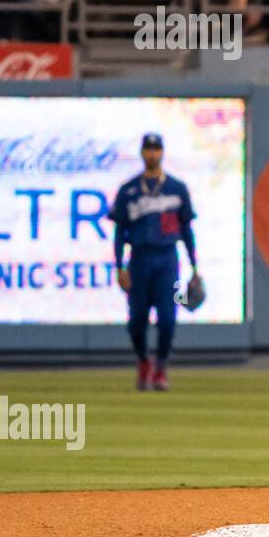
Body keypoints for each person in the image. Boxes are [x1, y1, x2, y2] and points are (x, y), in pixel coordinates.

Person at [111, 133, 198, 393]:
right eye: (148, 149)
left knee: (168, 317)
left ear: (162, 152)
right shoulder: (128, 190)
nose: (152, 153)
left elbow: (186, 231)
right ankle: (143, 361)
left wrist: (195, 268)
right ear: (142, 153)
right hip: (139, 260)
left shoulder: (176, 188)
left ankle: (160, 368)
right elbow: (119, 233)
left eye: (156, 149)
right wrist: (119, 267)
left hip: (168, 260)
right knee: (136, 319)